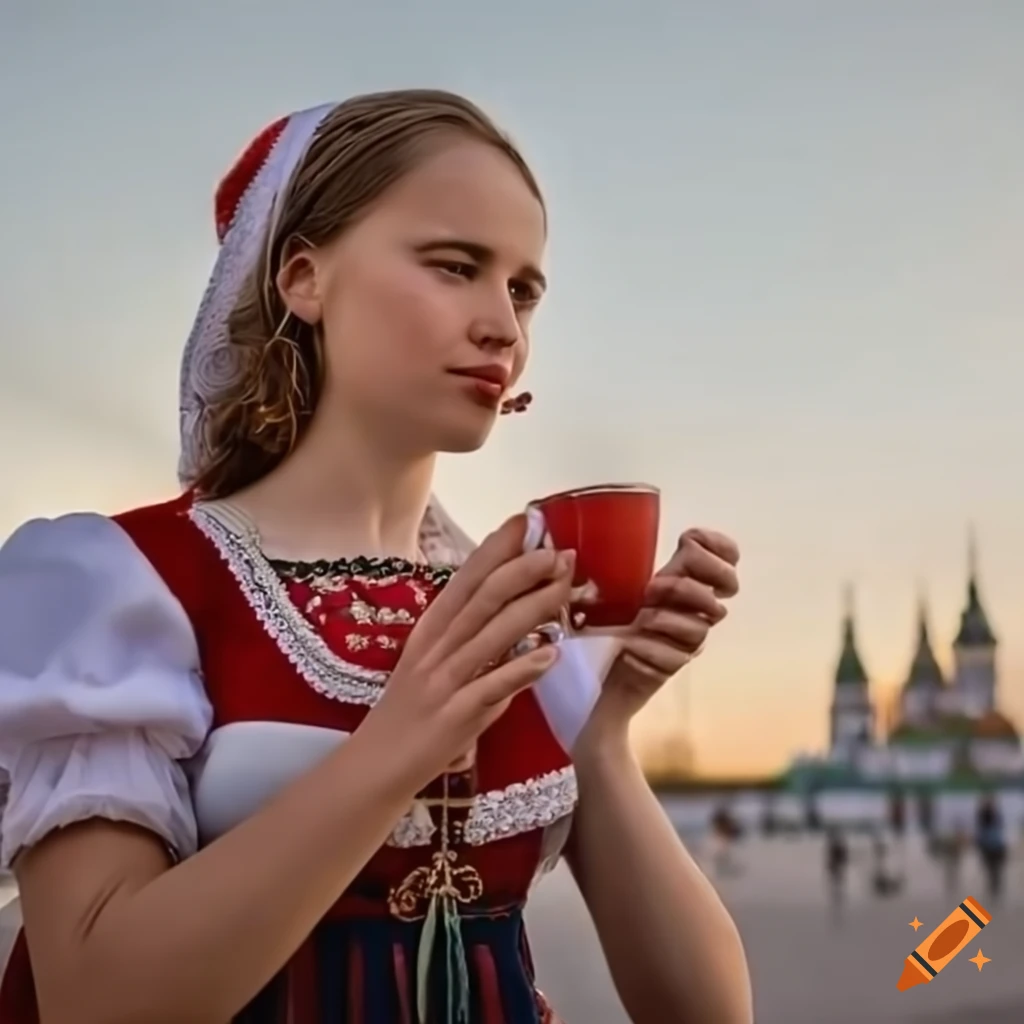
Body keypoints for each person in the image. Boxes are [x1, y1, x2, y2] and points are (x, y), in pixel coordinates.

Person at [0, 91, 752, 1024]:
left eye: (523, 290)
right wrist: (399, 746)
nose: (504, 330)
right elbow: (96, 1001)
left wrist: (602, 728)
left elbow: (707, 1013)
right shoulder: (124, 584)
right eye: (455, 267)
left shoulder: (513, 604)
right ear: (304, 278)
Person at [975, 795, 1008, 901]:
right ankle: (995, 889)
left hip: (992, 846)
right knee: (994, 869)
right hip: (993, 846)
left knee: (992, 869)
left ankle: (994, 889)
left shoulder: (988, 818)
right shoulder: (991, 818)